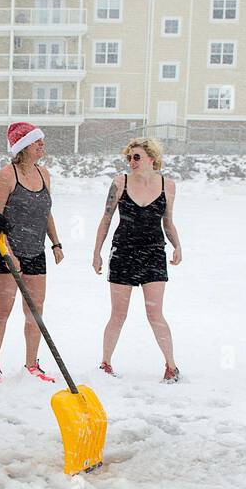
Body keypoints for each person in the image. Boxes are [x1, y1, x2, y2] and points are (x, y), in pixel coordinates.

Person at [0, 122, 64, 385]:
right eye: (37, 142)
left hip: (36, 251)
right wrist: (8, 252)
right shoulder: (6, 176)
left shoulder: (44, 174)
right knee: (2, 310)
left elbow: (45, 211)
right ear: (23, 147)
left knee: (35, 311)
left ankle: (32, 363)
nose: (42, 145)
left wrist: (56, 243)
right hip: (4, 252)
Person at [92, 137, 181, 381]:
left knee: (155, 314)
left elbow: (168, 222)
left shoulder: (168, 185)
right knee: (118, 314)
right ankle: (106, 363)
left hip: (153, 253)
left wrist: (177, 246)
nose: (132, 162)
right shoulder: (120, 183)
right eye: (129, 157)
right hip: (123, 252)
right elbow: (106, 218)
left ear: (152, 158)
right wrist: (97, 252)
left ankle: (171, 367)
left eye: (137, 157)